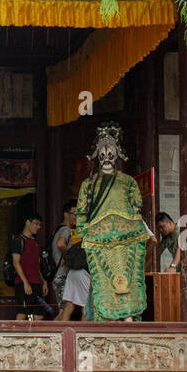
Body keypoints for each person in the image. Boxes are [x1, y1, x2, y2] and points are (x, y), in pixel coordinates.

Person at [75, 124, 149, 320]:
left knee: (128, 277)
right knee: (104, 280)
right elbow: (81, 212)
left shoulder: (128, 182)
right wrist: (83, 232)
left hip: (126, 239)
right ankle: (105, 316)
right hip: (99, 241)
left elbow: (137, 206)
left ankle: (129, 315)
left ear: (117, 156)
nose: (106, 158)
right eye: (102, 155)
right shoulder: (88, 184)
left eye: (110, 154)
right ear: (97, 157)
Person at [11, 213, 50, 320]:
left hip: (36, 283)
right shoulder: (18, 240)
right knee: (22, 313)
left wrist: (44, 281)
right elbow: (16, 262)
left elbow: (37, 265)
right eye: (36, 224)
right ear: (28, 222)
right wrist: (25, 283)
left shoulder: (35, 242)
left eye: (40, 225)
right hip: (23, 283)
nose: (38, 227)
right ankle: (15, 336)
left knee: (39, 315)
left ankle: (34, 337)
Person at [55, 244, 90, 321]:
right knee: (86, 306)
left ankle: (62, 329)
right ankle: (84, 332)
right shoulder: (95, 242)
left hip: (72, 273)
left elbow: (63, 260)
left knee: (69, 305)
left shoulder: (79, 243)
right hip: (84, 273)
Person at [50, 200, 77, 298]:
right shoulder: (66, 230)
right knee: (64, 310)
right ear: (66, 214)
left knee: (65, 309)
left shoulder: (59, 229)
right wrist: (69, 256)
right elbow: (60, 244)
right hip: (62, 275)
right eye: (74, 214)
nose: (77, 217)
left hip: (59, 275)